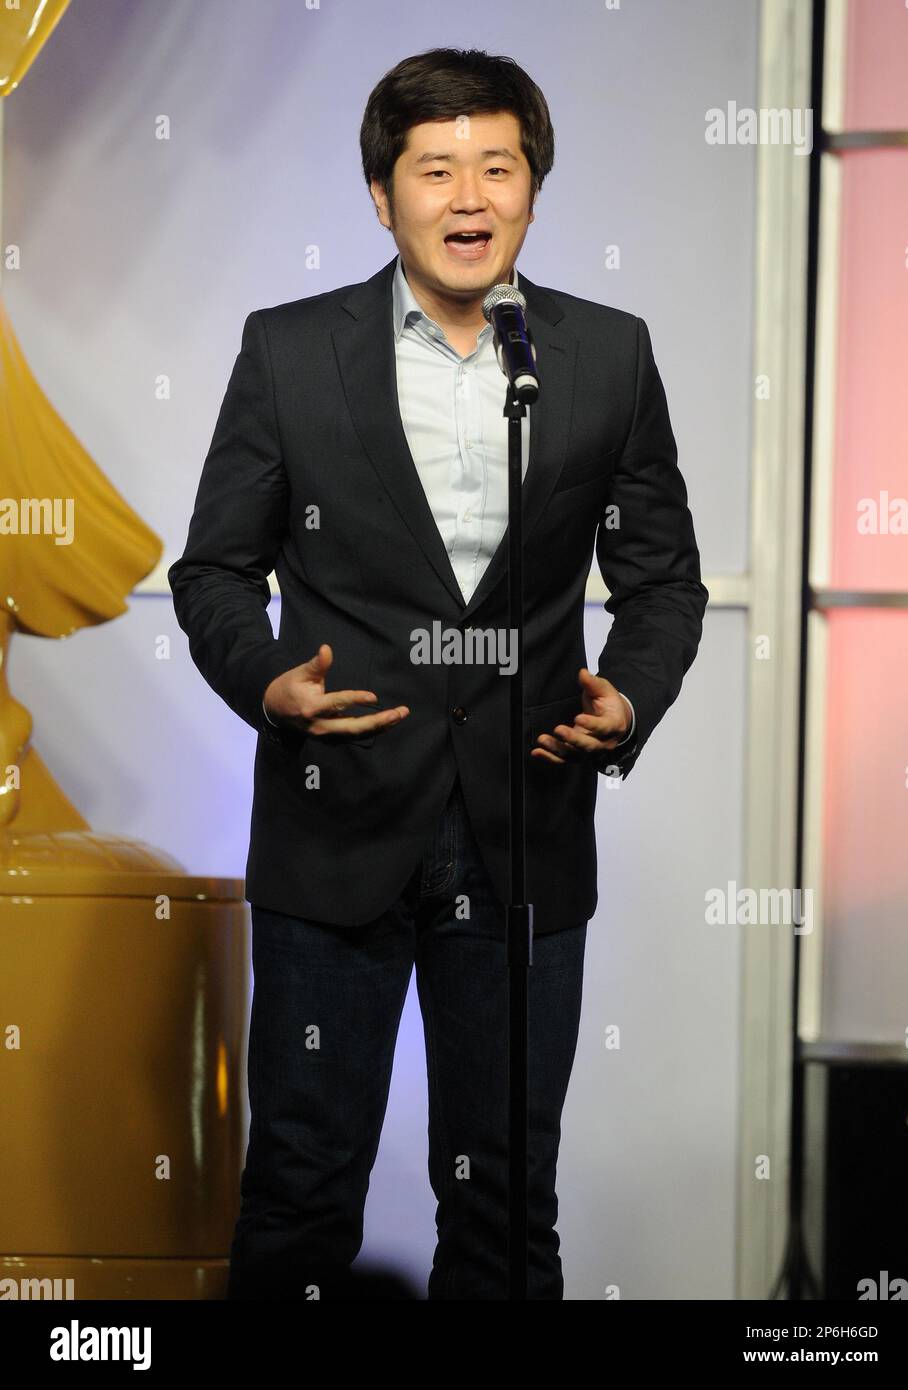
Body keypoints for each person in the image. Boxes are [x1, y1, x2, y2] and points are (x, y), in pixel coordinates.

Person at [167, 47, 708, 1301]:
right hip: (337, 817)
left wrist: (626, 698)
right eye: (435, 169)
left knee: (505, 1200)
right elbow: (211, 574)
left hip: (525, 822)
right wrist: (267, 683)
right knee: (301, 1188)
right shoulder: (292, 353)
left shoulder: (606, 356)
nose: (468, 196)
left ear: (531, 189)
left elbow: (663, 583)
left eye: (497, 167)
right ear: (380, 195)